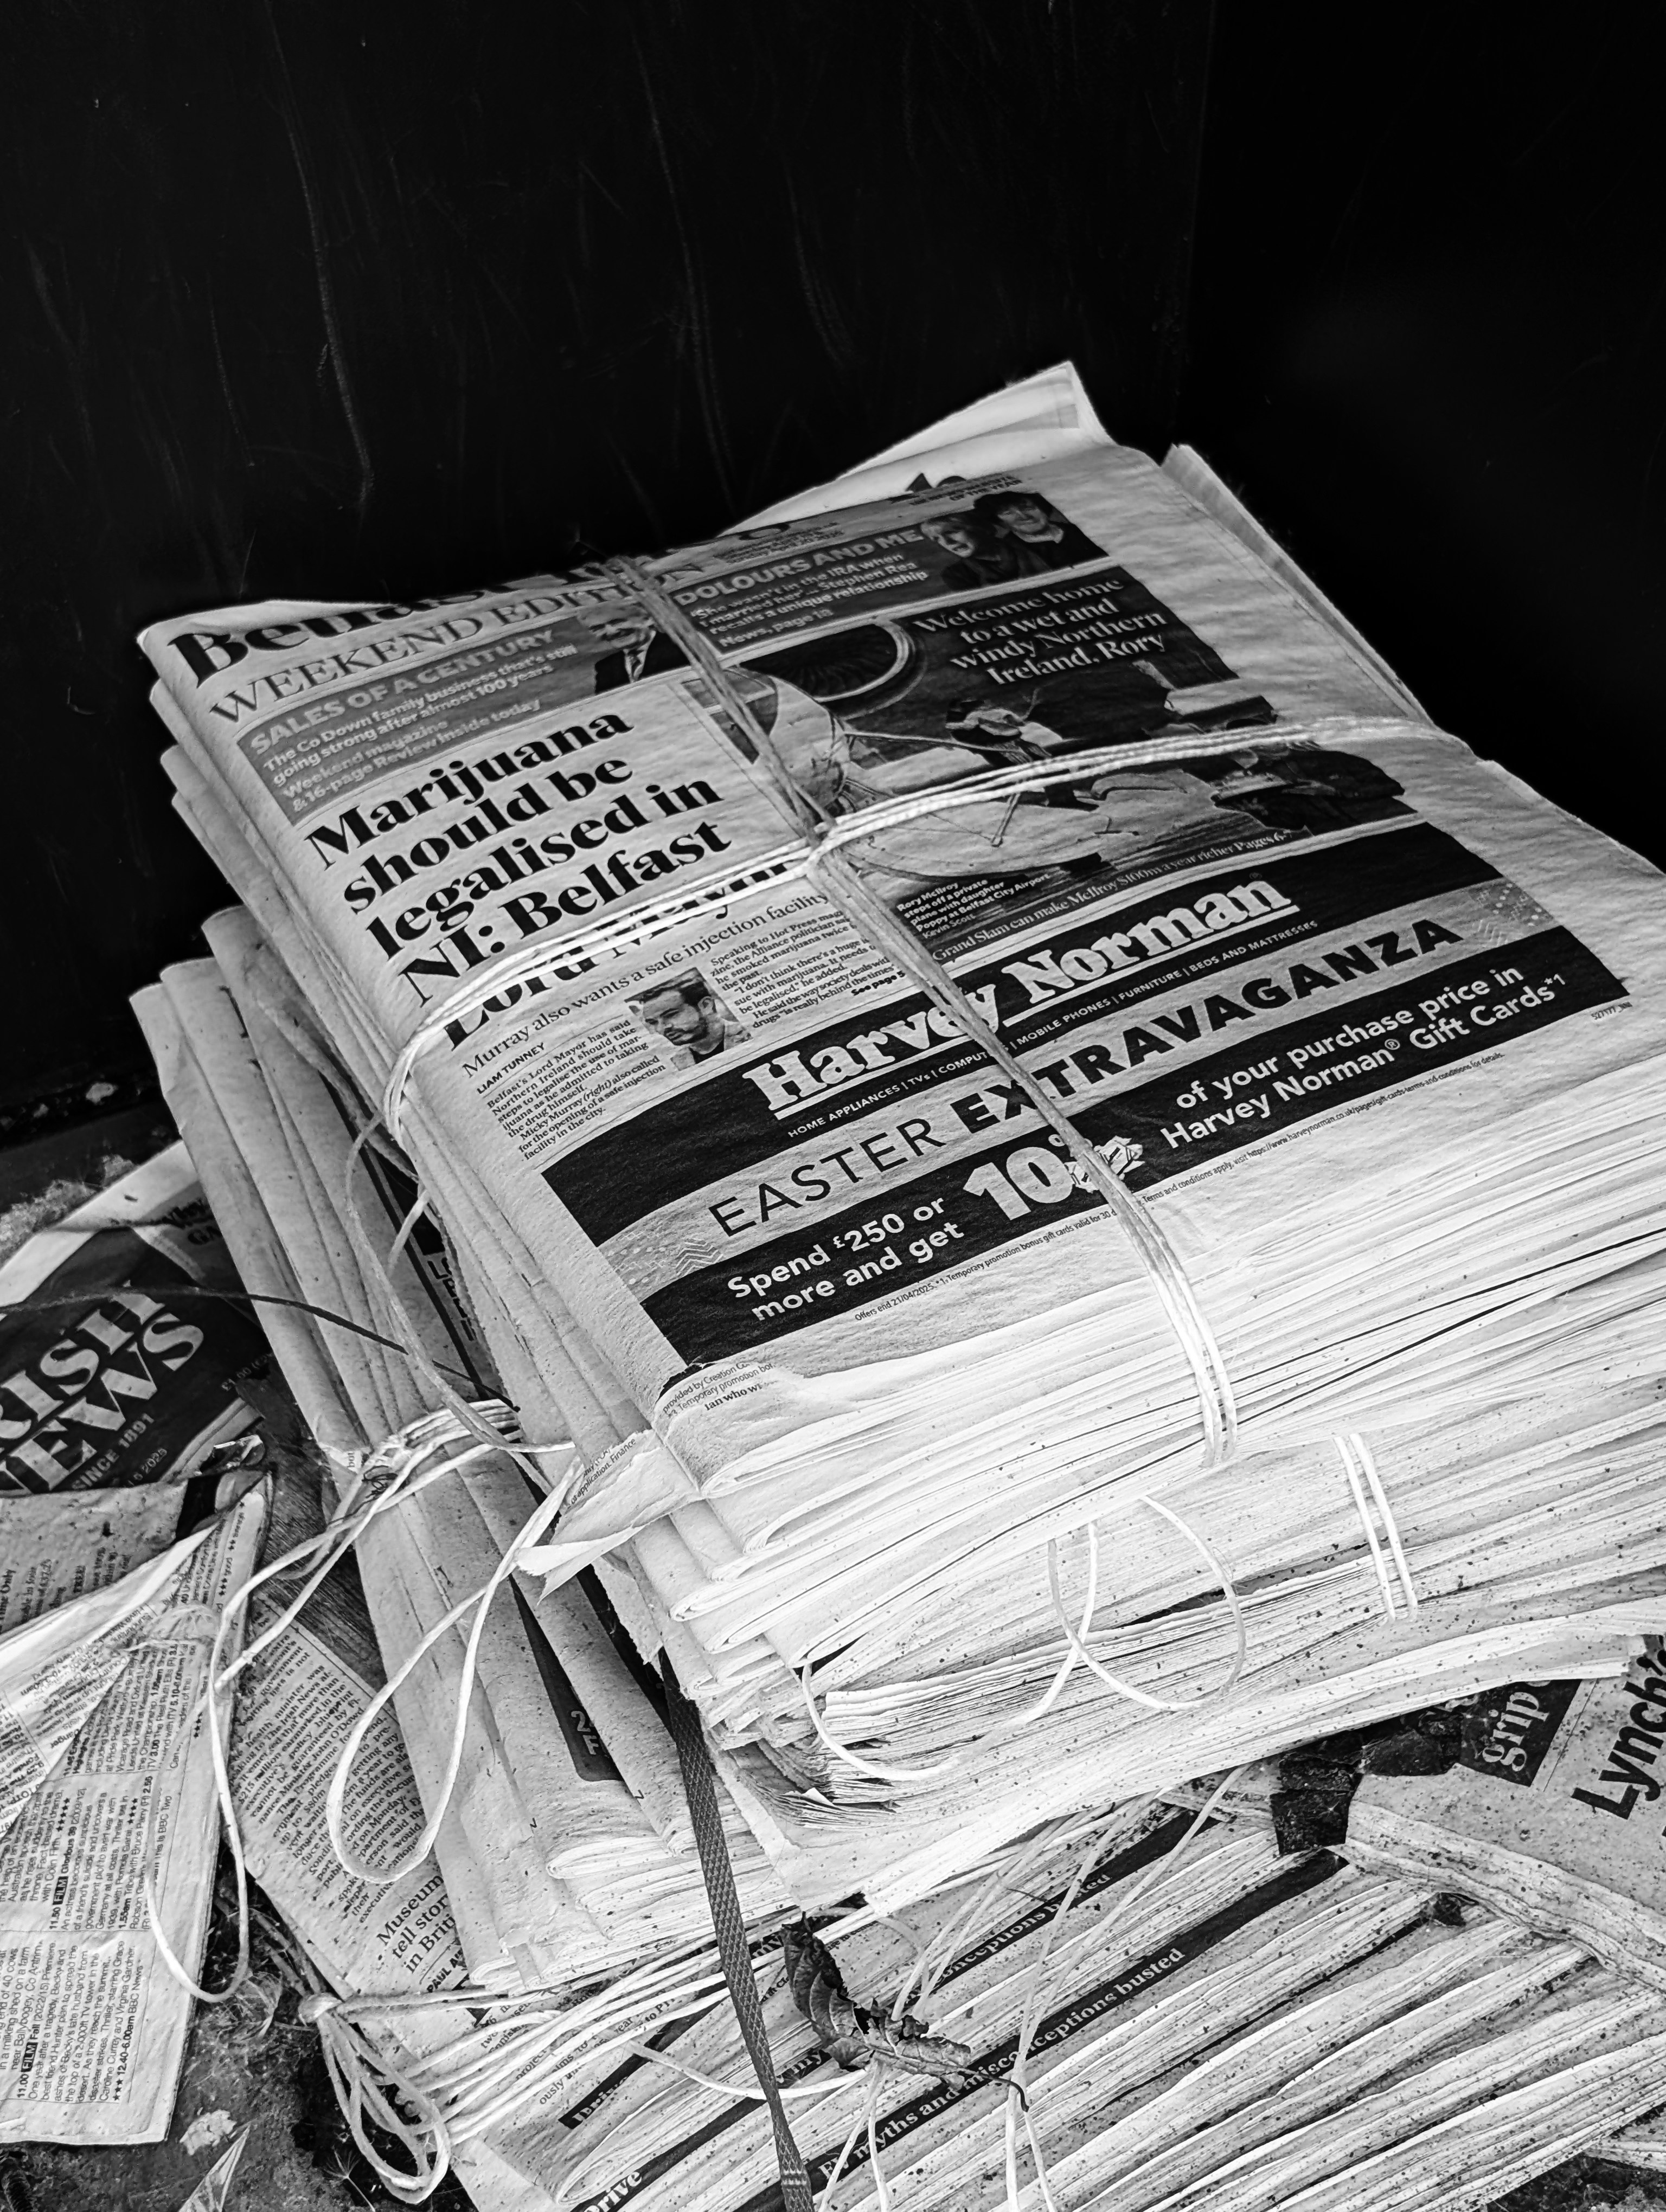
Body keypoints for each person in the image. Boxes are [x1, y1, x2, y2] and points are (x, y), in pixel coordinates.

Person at [969, 490, 1105, 575]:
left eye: (1028, 508)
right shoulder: (1005, 552)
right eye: (1008, 513)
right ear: (999, 521)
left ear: (1043, 508)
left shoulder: (1080, 530)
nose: (1023, 517)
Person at [632, 973, 749, 1066]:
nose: (662, 1028)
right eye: (654, 1022)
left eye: (671, 1015)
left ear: (706, 1006)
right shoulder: (677, 1062)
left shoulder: (748, 1033)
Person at [584, 609, 687, 691]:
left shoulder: (682, 647)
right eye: (598, 628)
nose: (611, 632)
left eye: (617, 622)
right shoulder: (605, 668)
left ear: (648, 619)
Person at [918, 513, 1022, 593]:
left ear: (982, 528)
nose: (947, 542)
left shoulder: (1023, 546)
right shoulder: (956, 575)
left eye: (951, 532)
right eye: (937, 539)